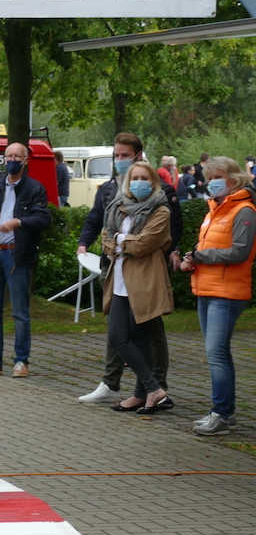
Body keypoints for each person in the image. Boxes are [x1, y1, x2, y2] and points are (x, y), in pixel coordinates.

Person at [75, 133, 182, 403]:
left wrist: (126, 243)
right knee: (119, 333)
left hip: (146, 274)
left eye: (125, 155)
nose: (120, 160)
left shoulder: (162, 197)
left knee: (147, 333)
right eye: (117, 155)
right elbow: (100, 227)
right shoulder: (111, 191)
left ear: (138, 155)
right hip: (117, 272)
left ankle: (152, 387)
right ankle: (118, 383)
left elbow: (156, 238)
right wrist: (87, 243)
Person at [179, 156, 256, 436]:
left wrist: (201, 256)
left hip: (227, 293)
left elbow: (240, 252)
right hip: (207, 289)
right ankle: (224, 413)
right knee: (217, 354)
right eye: (209, 177)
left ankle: (221, 414)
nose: (211, 182)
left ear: (233, 179)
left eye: (217, 176)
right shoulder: (215, 209)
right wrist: (194, 260)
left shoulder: (244, 210)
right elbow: (211, 248)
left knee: (216, 354)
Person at [100, 160, 174, 415]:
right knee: (127, 338)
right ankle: (146, 392)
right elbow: (105, 240)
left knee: (130, 337)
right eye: (135, 178)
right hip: (120, 280)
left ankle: (150, 390)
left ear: (153, 181)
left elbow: (145, 245)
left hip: (143, 282)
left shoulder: (161, 210)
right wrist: (121, 242)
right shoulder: (119, 207)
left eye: (145, 178)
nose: (139, 183)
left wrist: (120, 241)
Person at [0, 142, 52, 377]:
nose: (12, 160)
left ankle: (21, 360)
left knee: (19, 311)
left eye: (17, 156)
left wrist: (19, 222)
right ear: (4, 159)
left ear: (25, 160)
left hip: (16, 254)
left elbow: (43, 218)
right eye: (9, 156)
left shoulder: (34, 188)